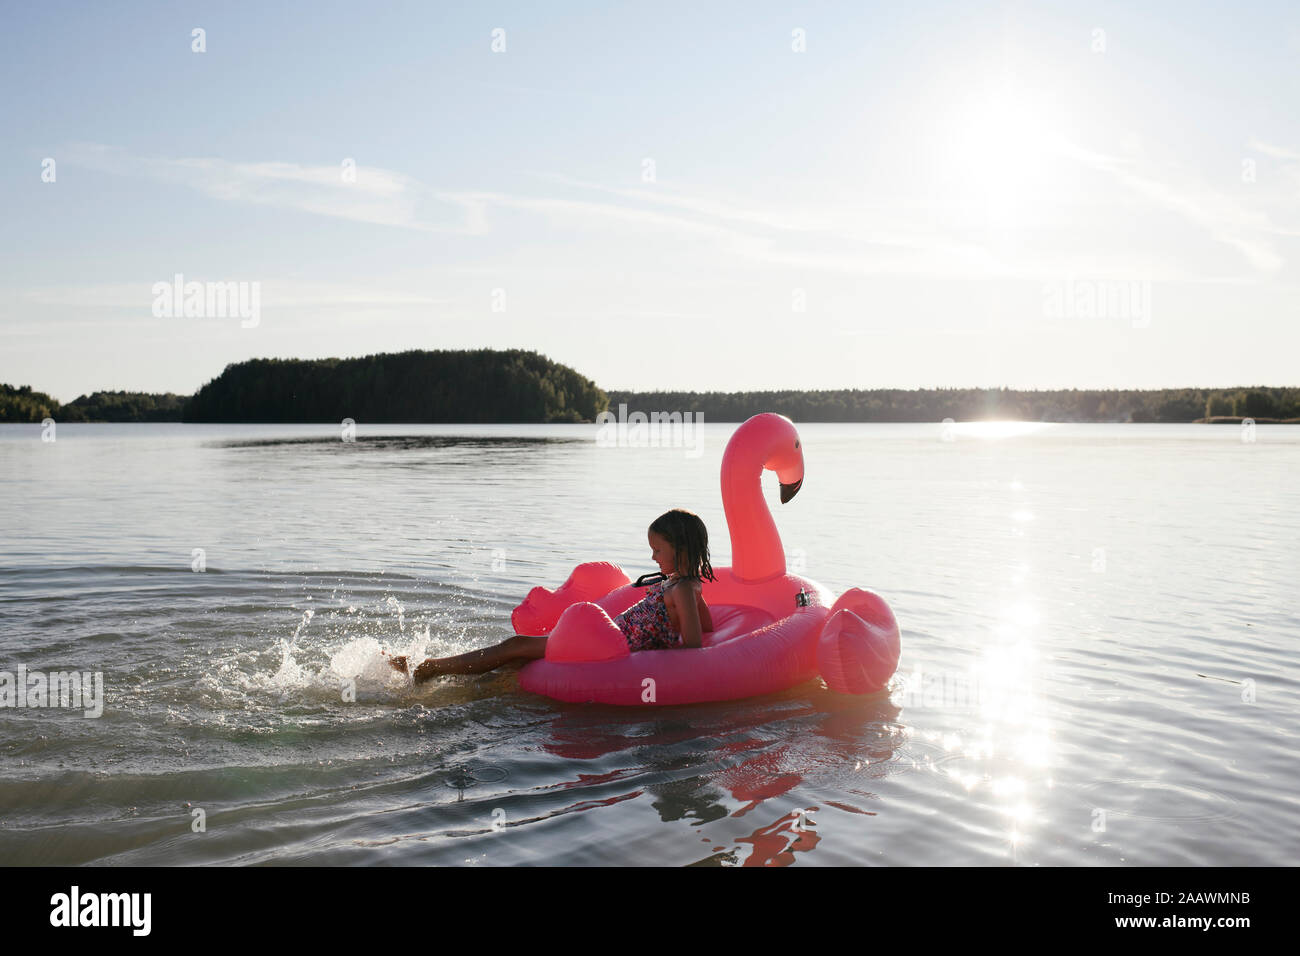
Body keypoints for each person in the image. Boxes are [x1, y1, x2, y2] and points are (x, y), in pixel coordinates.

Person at [387, 509, 715, 684]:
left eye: (658, 550)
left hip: (608, 645)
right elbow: (708, 623)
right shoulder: (680, 584)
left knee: (516, 645)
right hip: (608, 637)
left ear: (681, 548)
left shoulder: (683, 588)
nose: (653, 558)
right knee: (517, 655)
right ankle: (451, 675)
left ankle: (431, 668)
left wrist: (656, 648)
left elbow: (694, 644)